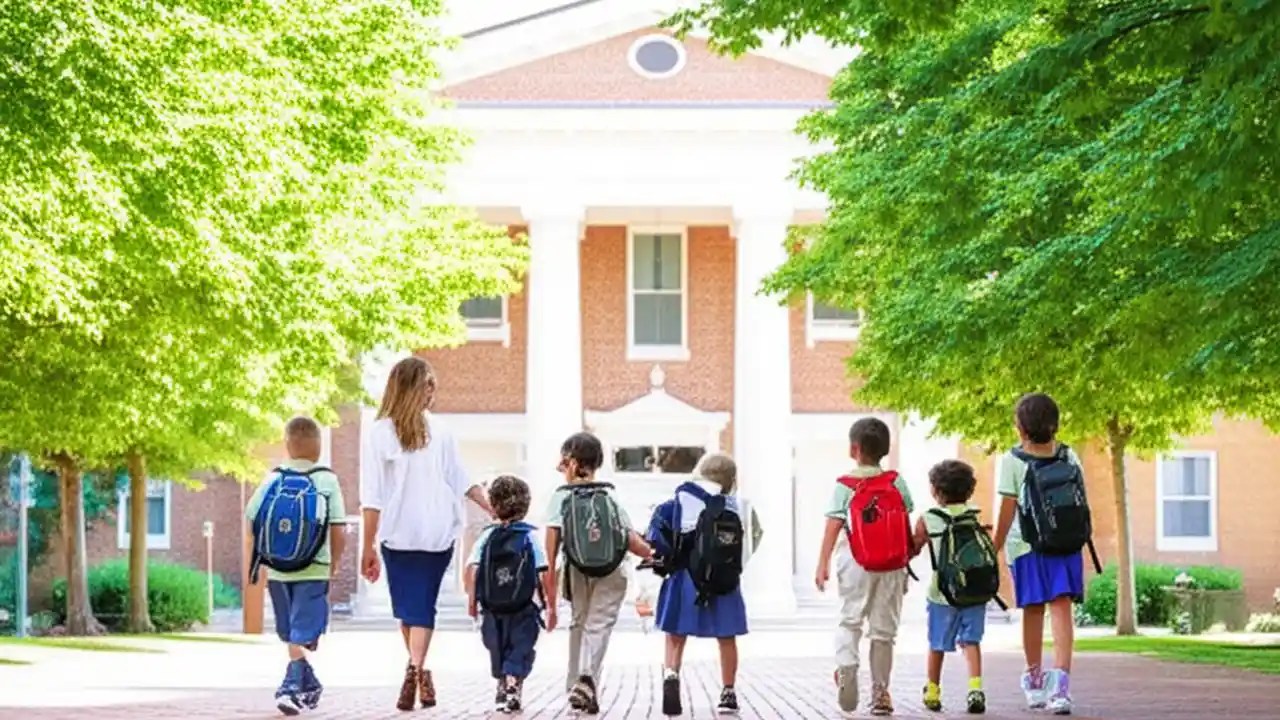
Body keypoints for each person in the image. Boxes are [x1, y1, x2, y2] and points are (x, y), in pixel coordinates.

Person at [359, 356, 495, 711]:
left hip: (436, 534)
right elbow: (371, 496)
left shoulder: (442, 432)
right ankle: (421, 672)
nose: (433, 391)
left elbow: (460, 478)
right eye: (426, 384)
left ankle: (412, 672)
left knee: (420, 607)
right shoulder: (380, 434)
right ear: (407, 387)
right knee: (409, 610)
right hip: (398, 536)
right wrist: (368, 546)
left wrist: (490, 505)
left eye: (434, 384)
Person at [543, 431, 653, 714]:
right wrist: (654, 554)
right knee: (599, 624)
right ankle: (587, 680)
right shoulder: (609, 494)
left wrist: (551, 592)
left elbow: (551, 544)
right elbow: (630, 539)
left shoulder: (561, 497)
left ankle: (577, 687)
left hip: (576, 569)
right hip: (612, 569)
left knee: (579, 623)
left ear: (571, 461)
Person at [244, 416, 347, 716]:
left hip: (277, 569)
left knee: (290, 631)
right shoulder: (326, 479)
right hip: (314, 568)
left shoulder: (273, 478)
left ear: (288, 445)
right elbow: (339, 528)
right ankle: (294, 686)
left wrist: (263, 556)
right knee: (302, 631)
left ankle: (301, 683)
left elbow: (252, 519)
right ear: (318, 447)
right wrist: (335, 562)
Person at [646, 453, 762, 717]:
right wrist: (733, 565)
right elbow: (754, 538)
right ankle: (728, 692)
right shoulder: (740, 506)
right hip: (724, 579)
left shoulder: (676, 502)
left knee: (675, 634)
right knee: (726, 636)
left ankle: (671, 674)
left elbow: (657, 540)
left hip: (684, 577)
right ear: (730, 478)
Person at [993, 392, 1088, 715]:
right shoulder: (1070, 456)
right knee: (1062, 609)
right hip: (1066, 543)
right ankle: (1061, 687)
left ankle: (1034, 681)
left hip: (1026, 546)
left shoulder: (1012, 461)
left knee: (1033, 610)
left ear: (1020, 427)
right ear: (1054, 424)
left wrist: (994, 546)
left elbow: (1007, 510)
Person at [815, 417, 914, 716]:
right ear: (885, 449)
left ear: (853, 449)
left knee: (850, 621)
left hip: (855, 561)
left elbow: (833, 525)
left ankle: (847, 667)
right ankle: (881, 693)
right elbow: (905, 516)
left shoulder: (845, 485)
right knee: (884, 631)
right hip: (892, 563)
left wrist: (822, 563)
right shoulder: (896, 482)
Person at [466, 475, 554, 714]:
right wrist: (550, 605)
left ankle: (503, 685)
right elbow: (544, 571)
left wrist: (472, 601)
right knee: (521, 646)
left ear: (493, 506)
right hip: (523, 606)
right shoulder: (529, 536)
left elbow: (472, 569)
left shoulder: (487, 536)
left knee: (497, 647)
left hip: (492, 607)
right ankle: (513, 684)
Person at [913, 459, 989, 715]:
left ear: (935, 490)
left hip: (941, 593)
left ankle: (933, 689)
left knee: (937, 643)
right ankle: (975, 688)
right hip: (974, 592)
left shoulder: (928, 519)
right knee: (971, 641)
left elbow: (913, 548)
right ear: (969, 490)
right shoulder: (974, 515)